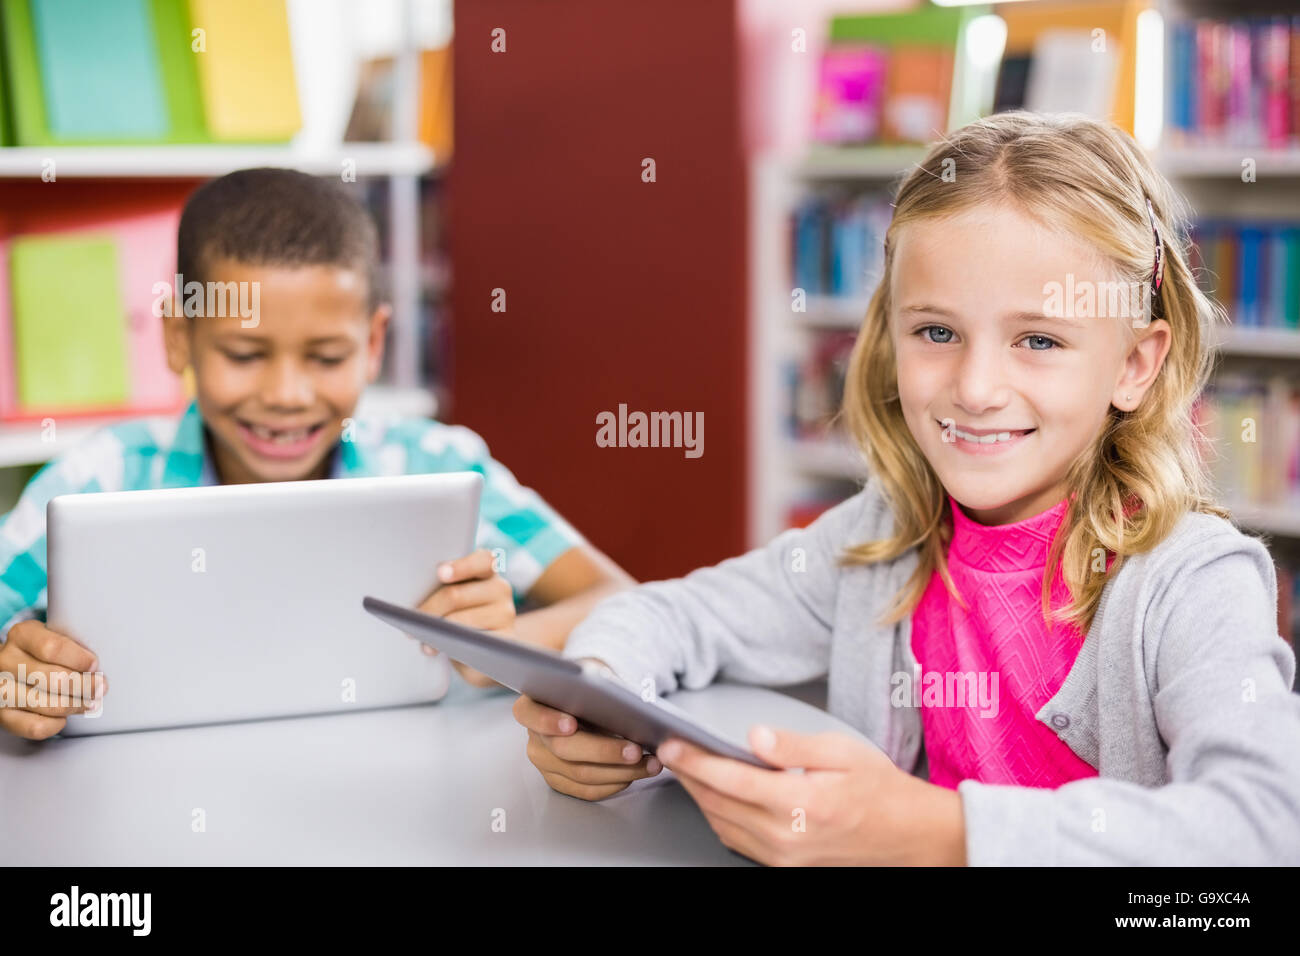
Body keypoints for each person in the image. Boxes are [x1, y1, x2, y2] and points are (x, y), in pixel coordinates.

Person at [514, 111, 1300, 865]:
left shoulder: (1191, 582)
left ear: (1135, 364)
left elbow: (1267, 825)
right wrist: (597, 704)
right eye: (937, 333)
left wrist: (936, 833)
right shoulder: (878, 541)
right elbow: (669, 615)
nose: (977, 387)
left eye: (1038, 340)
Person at [0, 167, 632, 741]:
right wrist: (14, 676)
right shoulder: (99, 477)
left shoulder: (435, 467)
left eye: (327, 358)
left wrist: (505, 644)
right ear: (177, 337)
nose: (286, 395)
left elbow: (616, 596)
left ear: (374, 342)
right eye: (245, 355)